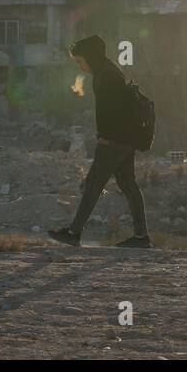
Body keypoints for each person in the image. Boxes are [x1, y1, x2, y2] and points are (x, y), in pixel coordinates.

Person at [49, 35, 152, 248]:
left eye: (80, 60)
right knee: (127, 184)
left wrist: (105, 138)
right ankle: (141, 237)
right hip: (125, 140)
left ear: (89, 57)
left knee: (93, 184)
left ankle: (73, 233)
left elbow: (112, 113)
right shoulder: (107, 72)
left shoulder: (107, 77)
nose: (79, 65)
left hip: (114, 141)